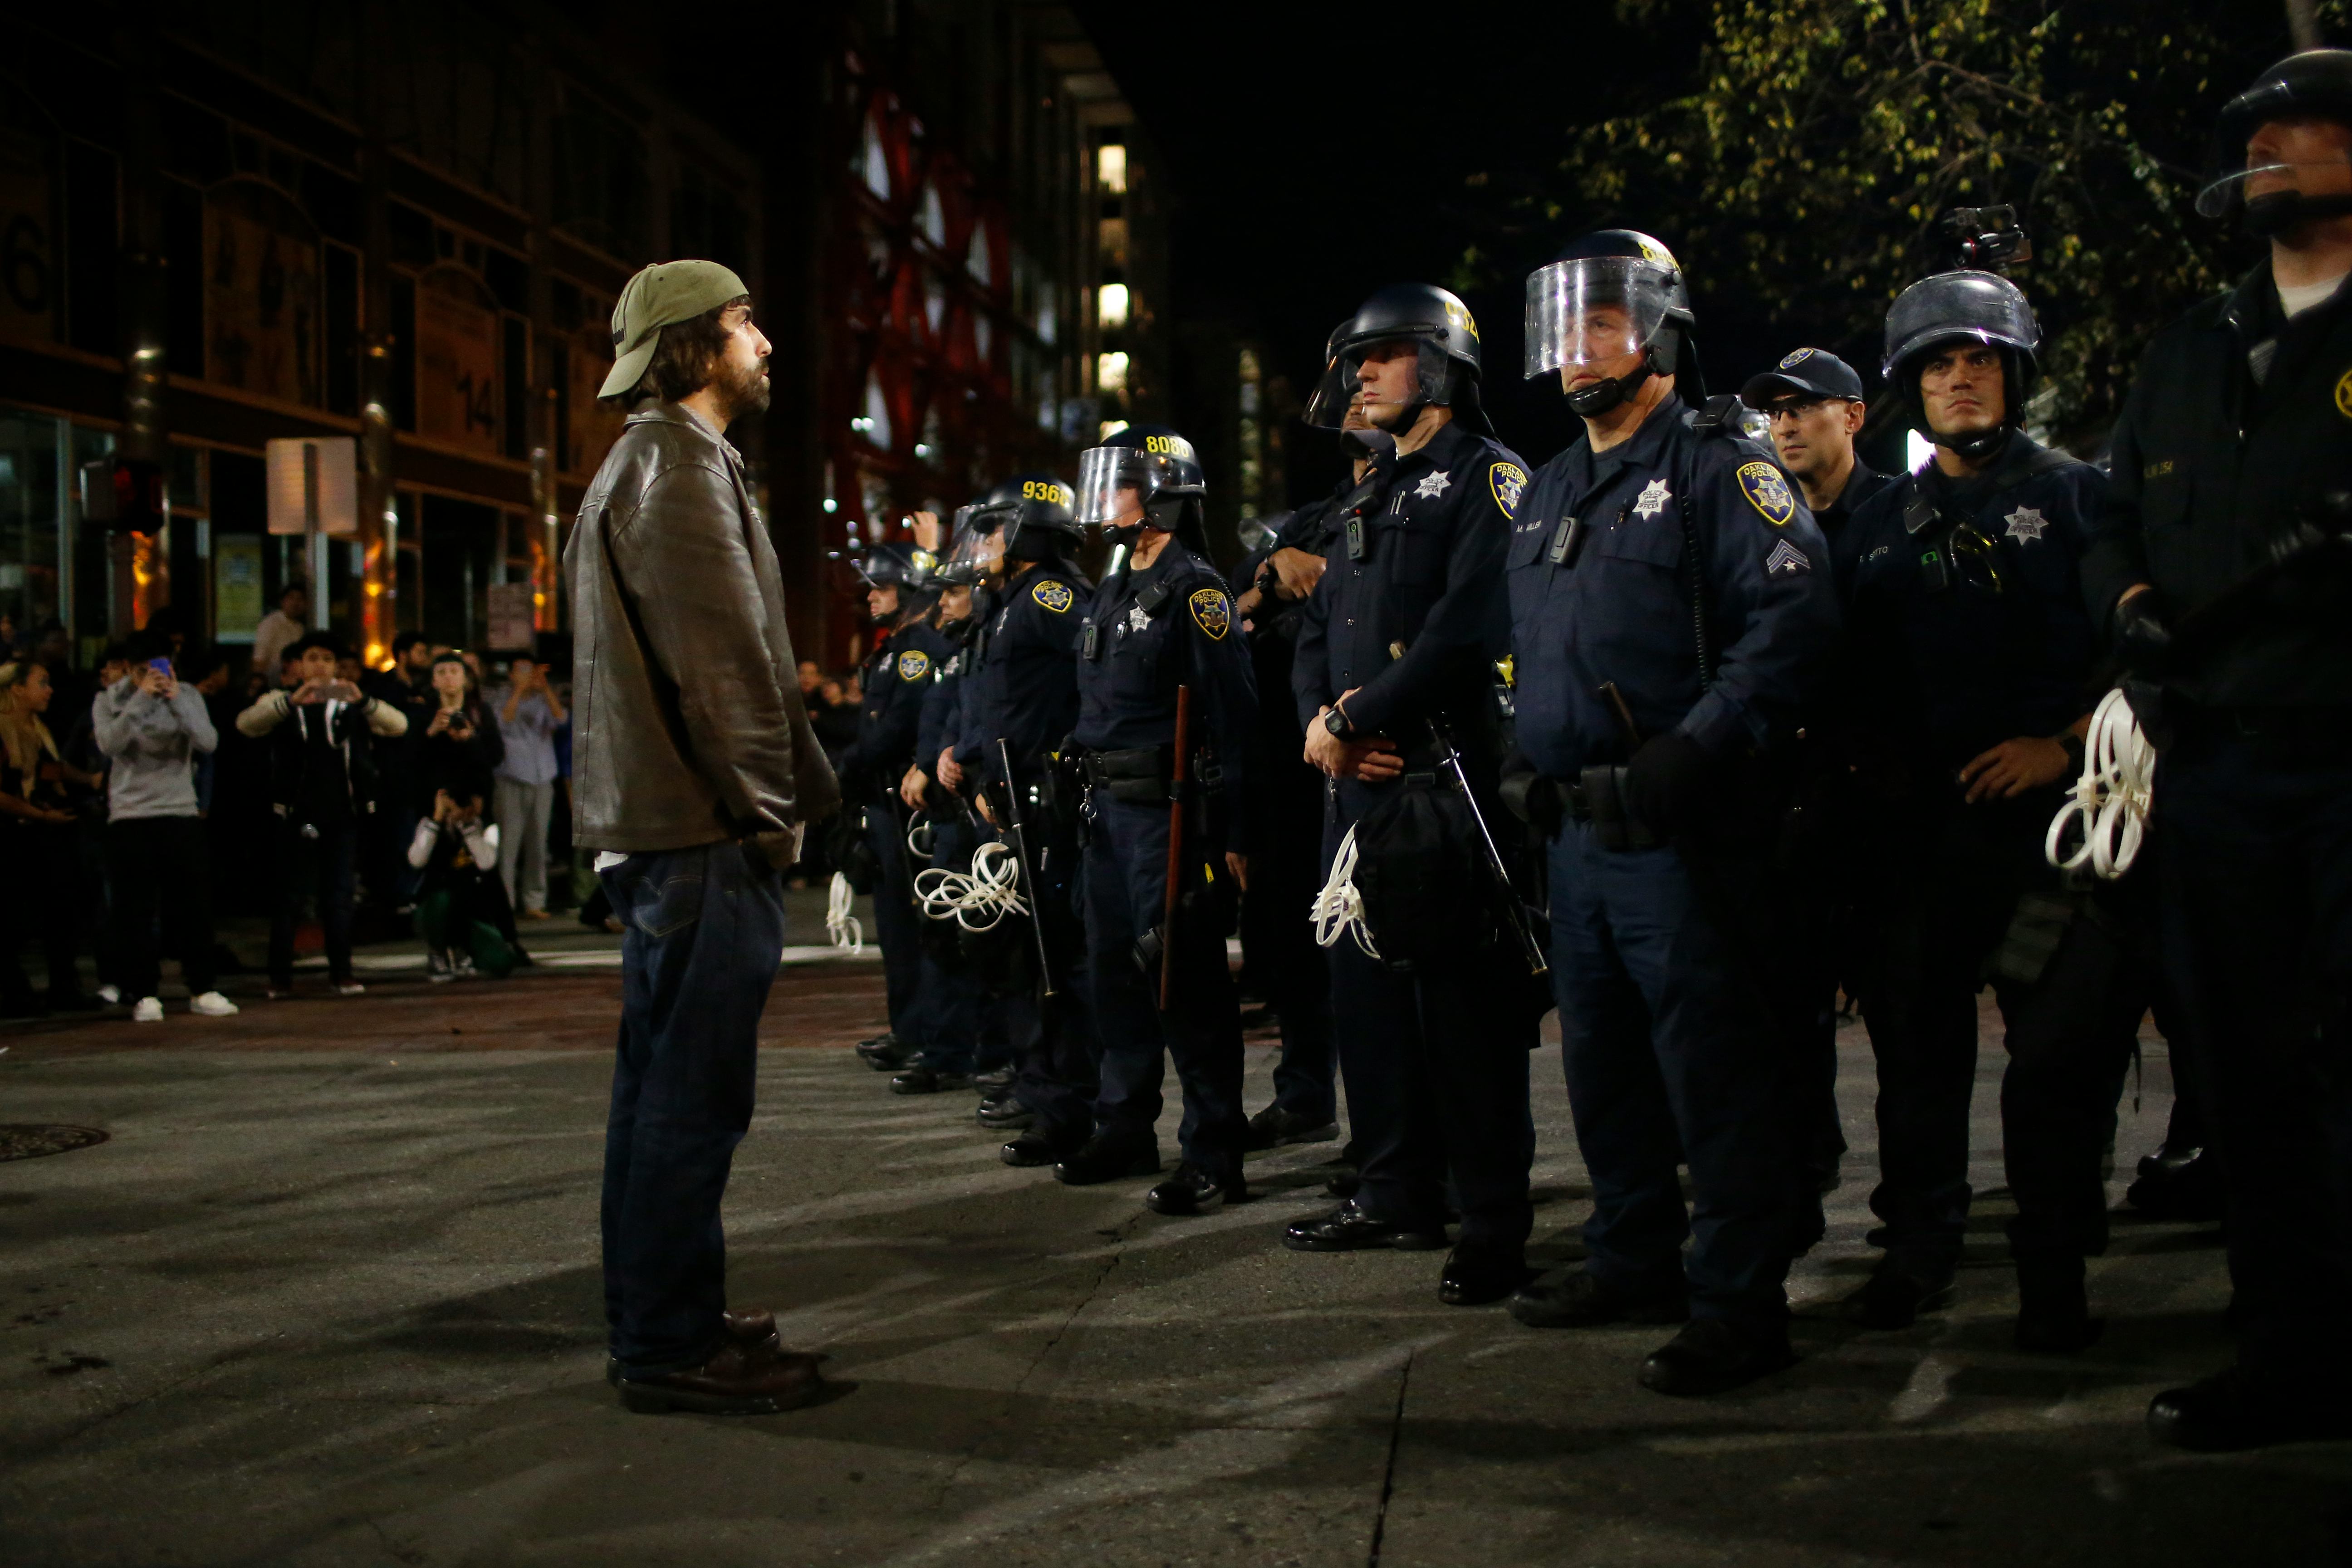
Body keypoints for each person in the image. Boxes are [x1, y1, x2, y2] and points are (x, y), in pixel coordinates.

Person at [1501, 231, 1838, 1393]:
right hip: (1578, 836)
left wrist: (1697, 749)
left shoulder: (1715, 463)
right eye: (1560, 330)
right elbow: (1531, 652)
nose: (1571, 351)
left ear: (1657, 333)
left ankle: (1738, 1301)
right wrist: (1518, 756)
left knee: (1714, 1071)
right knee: (1600, 1066)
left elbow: (1790, 623)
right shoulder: (1547, 484)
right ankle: (1630, 1255)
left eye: (1597, 324)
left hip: (1684, 832)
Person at [2081, 49, 2352, 1452]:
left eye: (2300, 131)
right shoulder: (2193, 345)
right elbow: (2114, 511)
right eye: (2255, 135)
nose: (2269, 151)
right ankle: (2291, 1348)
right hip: (2219, 766)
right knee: (2245, 1069)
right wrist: (2127, 606)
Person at [1835, 266, 2143, 1348]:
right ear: (1908, 388)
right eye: (1936, 365)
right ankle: (1914, 1254)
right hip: (1919, 843)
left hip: (2049, 840)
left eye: (1976, 361)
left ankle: (2050, 1272)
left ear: (2011, 375)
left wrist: (2055, 749)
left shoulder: (2075, 495)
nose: (1957, 379)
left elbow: (2134, 658)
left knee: (2053, 1064)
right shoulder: (1880, 518)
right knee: (1915, 1068)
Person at [569, 258, 838, 1415]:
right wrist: (776, 820)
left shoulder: (669, 460)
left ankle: (663, 1316)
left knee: (661, 1092)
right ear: (689, 346)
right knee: (691, 1095)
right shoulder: (673, 466)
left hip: (673, 828)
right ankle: (670, 1343)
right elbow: (726, 673)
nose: (764, 339)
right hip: (699, 830)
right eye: (742, 321)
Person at [1287, 282, 1539, 1308]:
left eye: (1381, 356)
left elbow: (1466, 626)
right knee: (1370, 1005)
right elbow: (1317, 628)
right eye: (1355, 360)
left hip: (1445, 785)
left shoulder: (1489, 477)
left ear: (1438, 364)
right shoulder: (1363, 493)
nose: (1359, 376)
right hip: (1357, 793)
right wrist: (1323, 727)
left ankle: (1491, 1222)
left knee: (1466, 1024)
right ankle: (1393, 1187)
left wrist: (1355, 720)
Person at [1066, 428, 1258, 1215]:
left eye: (1120, 482)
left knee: (1185, 980)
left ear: (1162, 492)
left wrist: (1241, 830)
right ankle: (1123, 1124)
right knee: (1112, 975)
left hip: (1165, 814)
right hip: (1104, 811)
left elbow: (1235, 716)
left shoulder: (1195, 590)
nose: (1105, 497)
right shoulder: (1113, 585)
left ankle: (1213, 1150)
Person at [945, 477, 1102, 1171]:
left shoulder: (1048, 596)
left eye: (993, 530)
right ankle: (1045, 1091)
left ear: (1026, 532)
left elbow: (1097, 677)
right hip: (1014, 797)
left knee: (1057, 958)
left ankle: (1068, 1107)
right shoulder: (1008, 604)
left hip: (1051, 799)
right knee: (1024, 956)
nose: (980, 546)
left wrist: (1063, 765)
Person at [830, 544, 958, 1091]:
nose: (872, 597)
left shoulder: (917, 651)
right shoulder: (891, 650)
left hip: (910, 805)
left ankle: (935, 1038)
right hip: (883, 802)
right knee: (894, 928)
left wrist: (840, 769)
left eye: (881, 588)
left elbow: (895, 730)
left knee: (918, 927)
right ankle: (909, 1030)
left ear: (908, 592)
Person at [236, 635, 408, 998]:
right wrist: (289, 702)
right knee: (289, 898)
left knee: (339, 896)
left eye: (327, 659)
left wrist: (365, 702)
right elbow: (247, 725)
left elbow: (399, 726)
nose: (319, 666)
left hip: (342, 813)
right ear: (298, 665)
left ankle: (341, 972)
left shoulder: (351, 703)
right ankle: (279, 977)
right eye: (312, 658)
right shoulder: (284, 700)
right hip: (295, 812)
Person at [92, 634, 237, 1022]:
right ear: (128, 669)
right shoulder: (109, 699)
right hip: (130, 815)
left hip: (179, 811)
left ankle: (203, 987)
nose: (154, 677)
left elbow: (208, 742)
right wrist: (141, 698)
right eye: (143, 671)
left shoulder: (187, 694)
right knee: (135, 910)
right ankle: (143, 992)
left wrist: (176, 700)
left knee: (193, 906)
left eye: (160, 669)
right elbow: (109, 744)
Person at [0, 660, 98, 1017]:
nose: (50, 690)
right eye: (42, 683)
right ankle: (14, 993)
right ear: (17, 689)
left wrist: (90, 781)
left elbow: (51, 770)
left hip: (44, 831)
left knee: (62, 911)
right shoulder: (3, 729)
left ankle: (63, 987)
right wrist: (40, 815)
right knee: (10, 921)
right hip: (12, 835)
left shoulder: (37, 727)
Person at [1739, 348, 1889, 536]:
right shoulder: (1760, 521)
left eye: (1804, 407)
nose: (1785, 429)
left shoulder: (1896, 510)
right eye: (1773, 412)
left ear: (1852, 417)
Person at [408, 786, 519, 981]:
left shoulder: (485, 827)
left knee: (501, 962)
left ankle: (462, 950)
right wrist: (438, 819)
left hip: (470, 913)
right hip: (433, 909)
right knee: (443, 899)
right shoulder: (429, 824)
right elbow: (416, 860)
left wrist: (467, 828)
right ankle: (438, 953)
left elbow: (487, 863)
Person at [491, 656, 564, 920]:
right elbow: (504, 722)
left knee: (538, 842)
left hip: (543, 776)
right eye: (521, 670)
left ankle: (535, 900)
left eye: (530, 670)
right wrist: (520, 690)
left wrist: (544, 689)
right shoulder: (499, 696)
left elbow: (561, 720)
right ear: (511, 673)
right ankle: (505, 901)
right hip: (511, 777)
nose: (527, 674)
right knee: (509, 843)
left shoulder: (543, 697)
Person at [250, 582, 309, 679]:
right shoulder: (271, 623)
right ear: (283, 601)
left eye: (300, 599)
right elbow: (260, 656)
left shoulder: (300, 628)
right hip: (272, 679)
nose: (296, 603)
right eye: (291, 598)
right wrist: (259, 680)